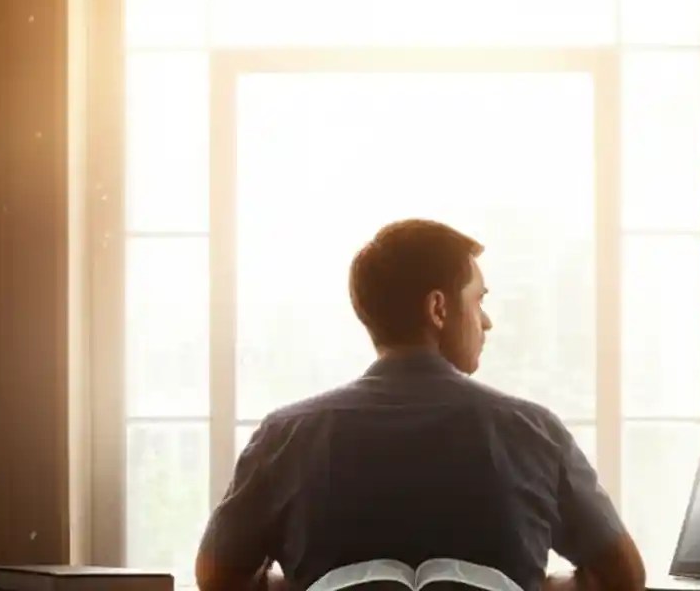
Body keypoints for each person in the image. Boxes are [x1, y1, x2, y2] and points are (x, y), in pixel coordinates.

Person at [195, 219, 645, 591]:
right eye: (478, 300)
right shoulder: (534, 430)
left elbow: (217, 578)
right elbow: (622, 578)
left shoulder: (285, 435)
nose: (486, 321)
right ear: (438, 309)